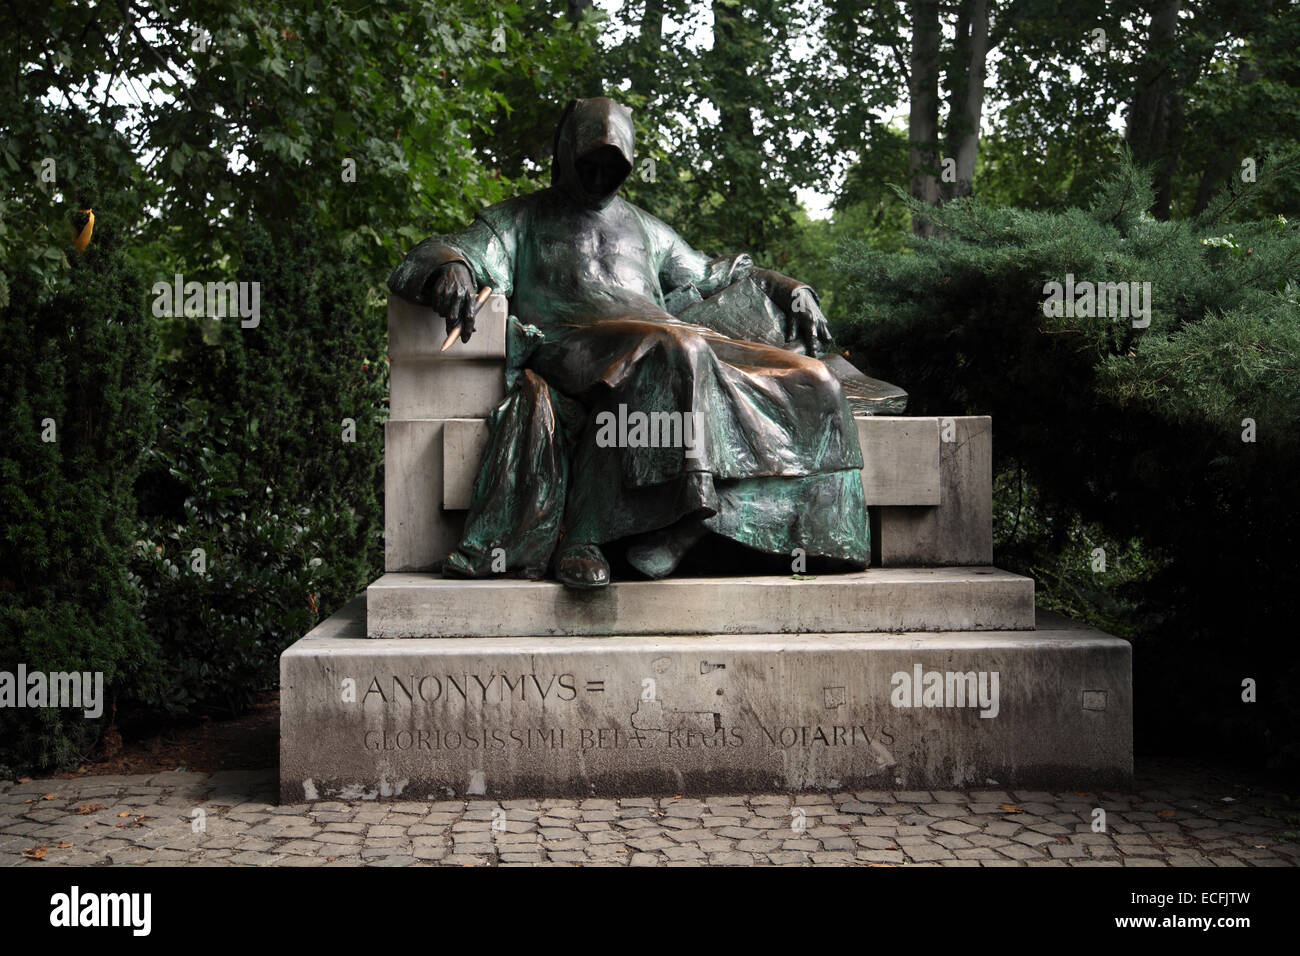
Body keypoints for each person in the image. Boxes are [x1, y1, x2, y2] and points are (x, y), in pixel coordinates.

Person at [388, 97, 871, 589]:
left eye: (612, 167)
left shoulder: (646, 227)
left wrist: (792, 290)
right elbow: (442, 250)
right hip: (571, 342)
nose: (599, 178)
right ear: (565, 155)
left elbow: (713, 274)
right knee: (676, 347)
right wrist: (449, 267)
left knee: (816, 379)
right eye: (589, 164)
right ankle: (681, 513)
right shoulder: (519, 219)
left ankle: (816, 537)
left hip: (667, 338)